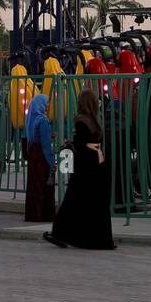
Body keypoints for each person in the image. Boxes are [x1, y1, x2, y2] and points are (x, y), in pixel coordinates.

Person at [44, 88, 115, 249]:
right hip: (99, 163)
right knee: (96, 204)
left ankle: (59, 233)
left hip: (85, 165)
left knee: (71, 200)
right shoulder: (97, 121)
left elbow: (81, 144)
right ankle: (99, 239)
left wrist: (71, 143)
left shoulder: (81, 120)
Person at [23, 93, 56, 222]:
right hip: (41, 156)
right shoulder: (42, 120)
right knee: (44, 185)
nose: (48, 105)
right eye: (46, 103)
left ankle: (33, 213)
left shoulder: (31, 118)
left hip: (33, 153)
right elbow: (46, 145)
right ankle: (44, 214)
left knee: (33, 185)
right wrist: (52, 162)